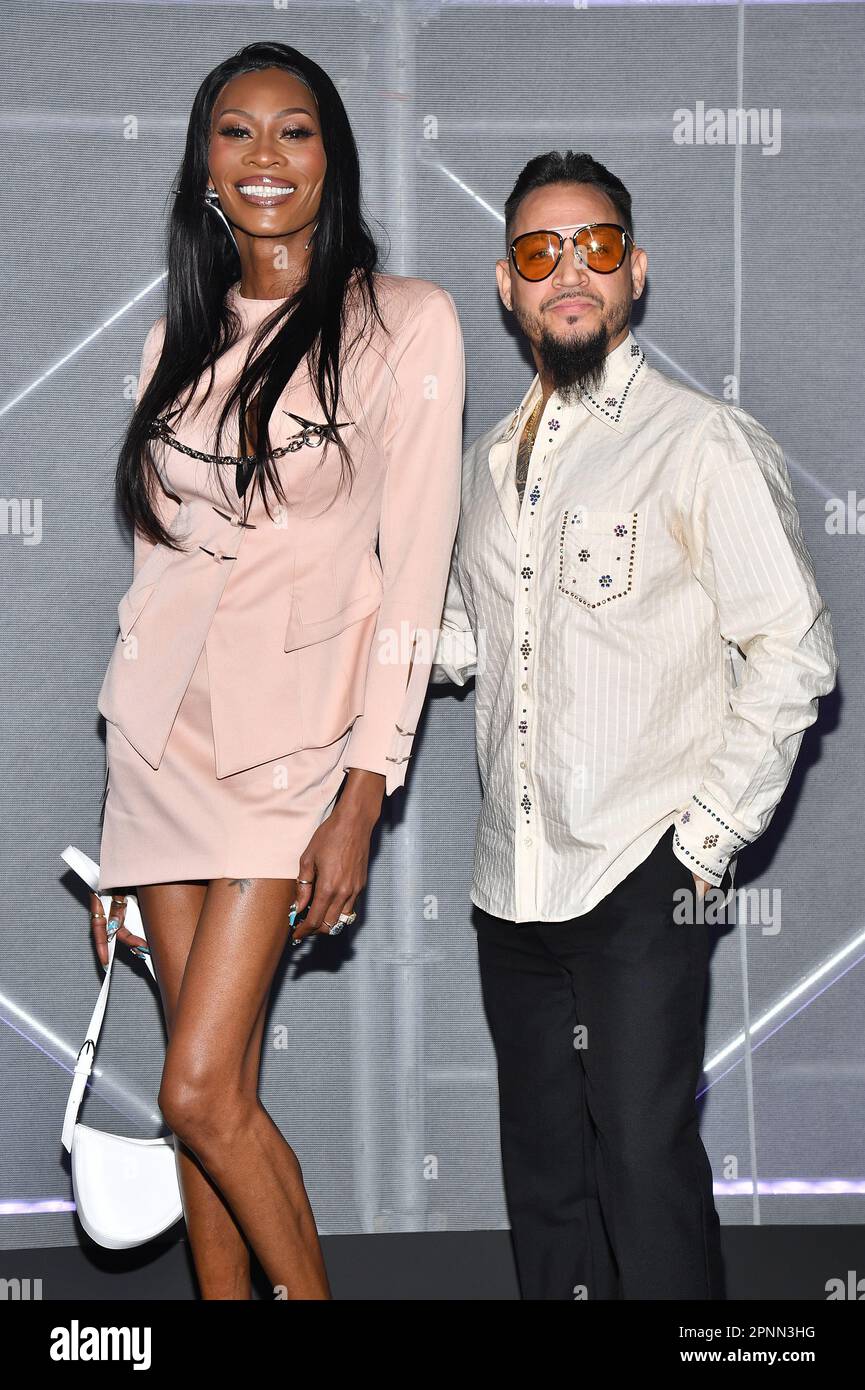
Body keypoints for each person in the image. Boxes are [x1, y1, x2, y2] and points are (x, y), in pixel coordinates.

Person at [89, 42, 464, 1300]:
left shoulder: (402, 323)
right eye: (236, 133)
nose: (264, 159)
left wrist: (365, 791)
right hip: (156, 753)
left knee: (197, 1088)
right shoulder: (171, 344)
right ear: (204, 166)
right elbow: (151, 582)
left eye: (293, 132)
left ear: (332, 160)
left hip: (288, 747)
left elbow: (412, 576)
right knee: (205, 1108)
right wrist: (114, 844)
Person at [431, 150, 838, 1300]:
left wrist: (699, 845)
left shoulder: (698, 439)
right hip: (510, 885)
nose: (569, 270)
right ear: (507, 287)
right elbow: (462, 643)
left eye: (595, 245)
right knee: (545, 1180)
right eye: (537, 251)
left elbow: (794, 649)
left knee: (643, 1172)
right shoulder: (479, 468)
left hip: (636, 877)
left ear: (635, 271)